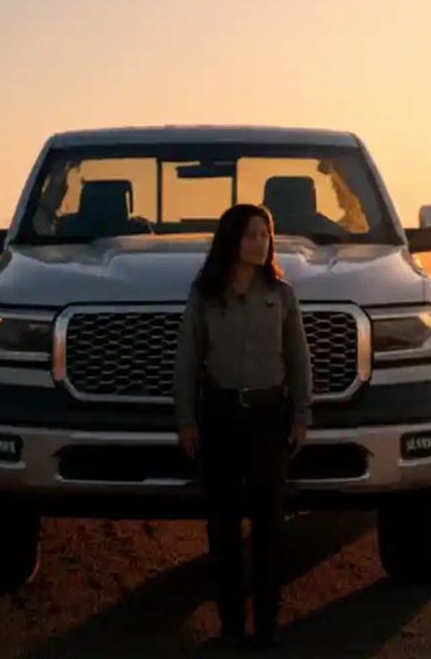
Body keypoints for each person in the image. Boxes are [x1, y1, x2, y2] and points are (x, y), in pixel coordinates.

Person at [173, 203, 313, 650]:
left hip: (269, 418)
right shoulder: (206, 295)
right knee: (223, 526)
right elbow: (187, 361)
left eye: (266, 235)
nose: (261, 243)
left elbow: (299, 360)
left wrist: (301, 415)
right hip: (219, 418)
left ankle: (268, 625)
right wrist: (187, 419)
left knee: (270, 524)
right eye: (252, 235)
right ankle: (231, 626)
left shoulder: (282, 294)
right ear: (232, 240)